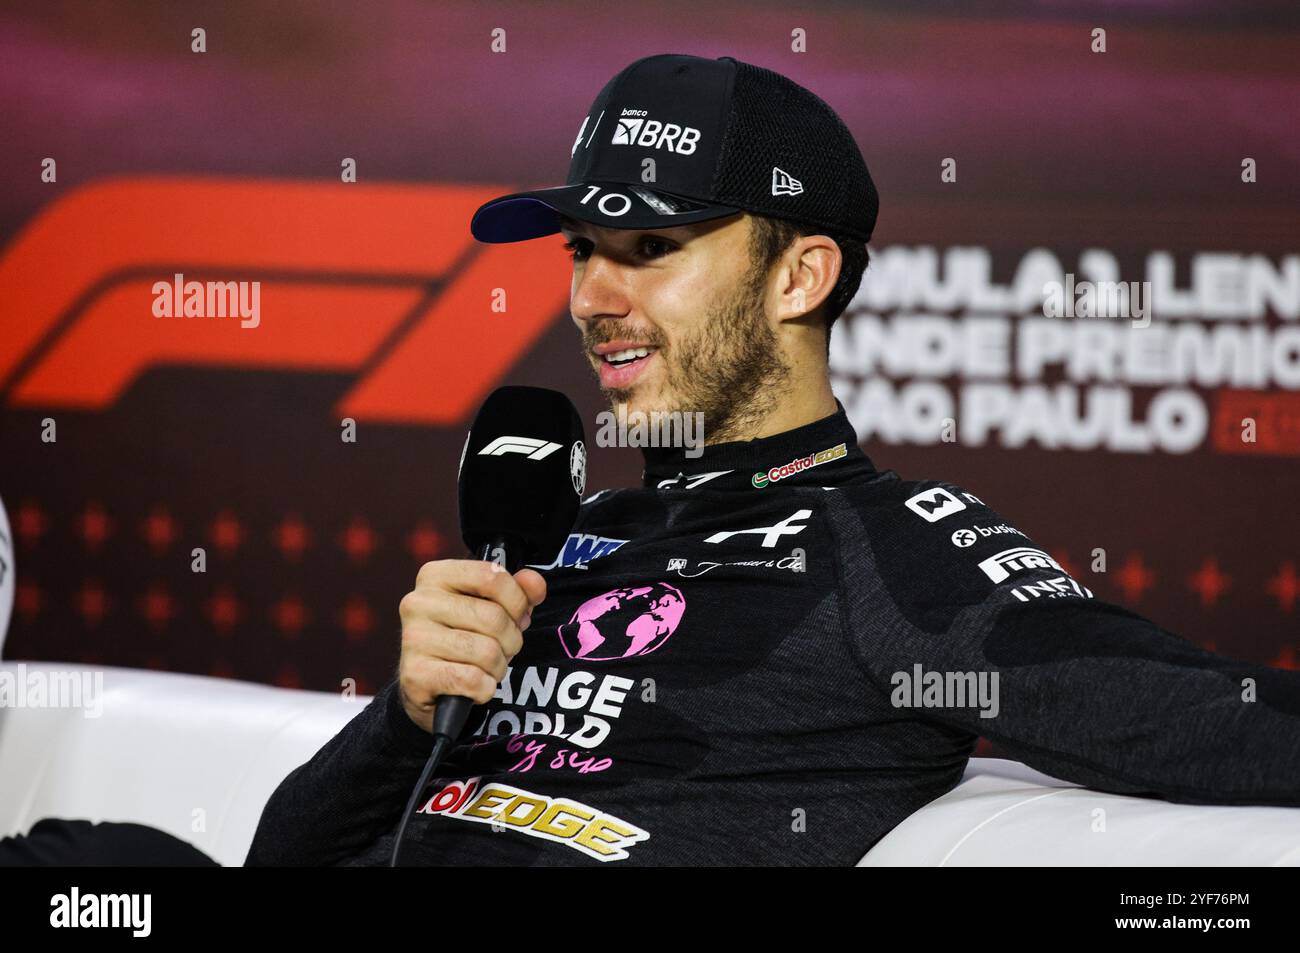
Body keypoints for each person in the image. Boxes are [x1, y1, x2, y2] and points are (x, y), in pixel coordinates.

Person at [245, 53, 1300, 867]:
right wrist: (407, 713)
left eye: (650, 251)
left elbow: (1213, 722)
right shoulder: (564, 536)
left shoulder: (894, 554)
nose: (590, 301)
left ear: (798, 279)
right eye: (580, 251)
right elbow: (280, 856)